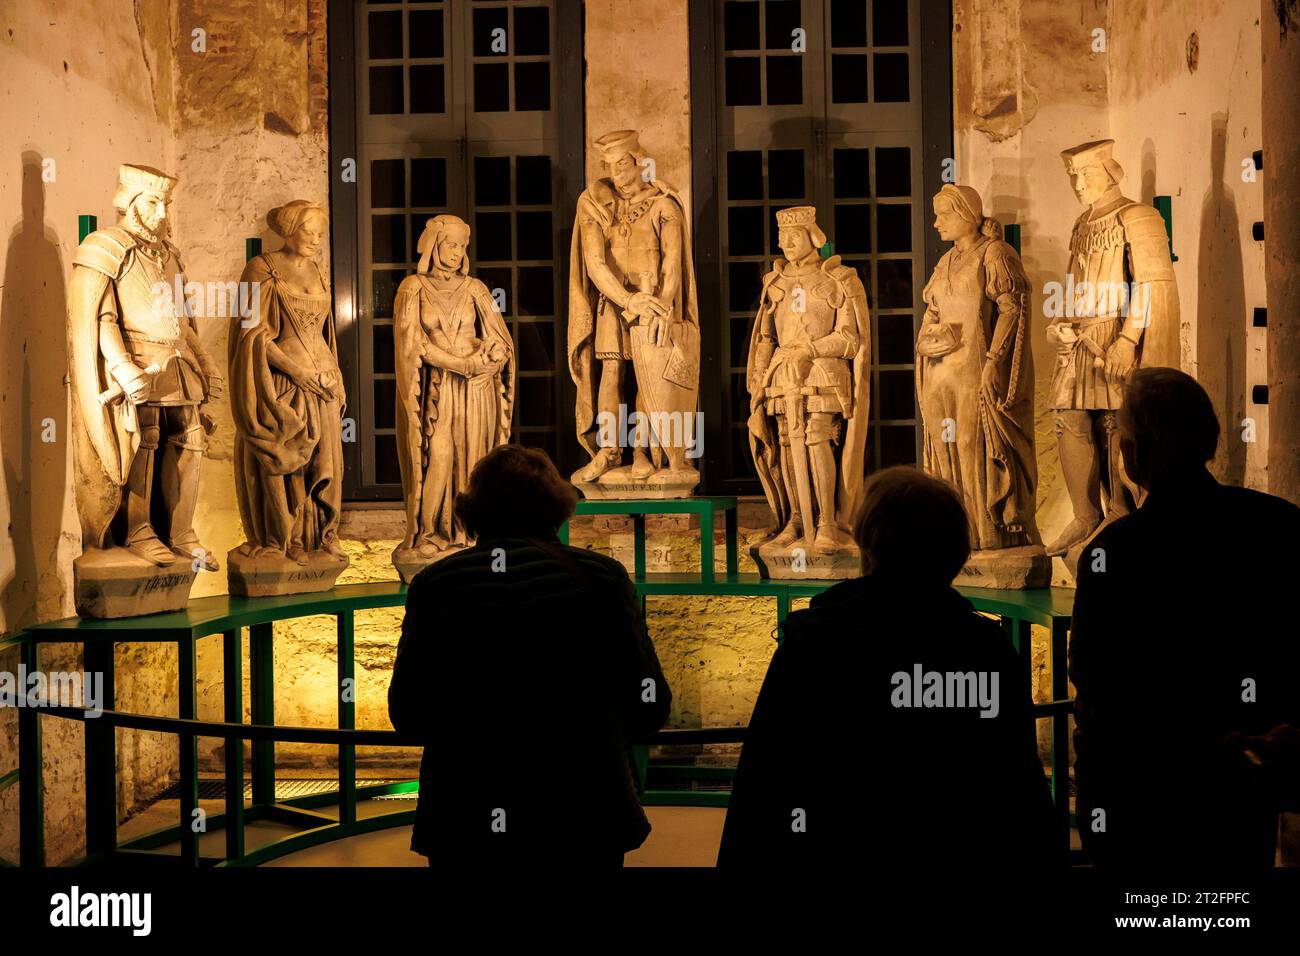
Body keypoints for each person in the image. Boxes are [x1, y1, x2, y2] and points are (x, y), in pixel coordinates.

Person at [717, 466, 1060, 868]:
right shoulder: (982, 649)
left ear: (868, 544)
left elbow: (765, 779)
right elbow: (1014, 783)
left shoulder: (815, 645)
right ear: (956, 553)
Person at [388, 445, 672, 866]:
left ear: (474, 508)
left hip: (467, 807)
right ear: (555, 505)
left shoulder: (437, 583)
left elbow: (409, 711)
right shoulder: (601, 577)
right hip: (583, 807)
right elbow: (649, 702)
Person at [1069, 367, 1300, 867]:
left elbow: (1097, 683)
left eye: (1122, 438)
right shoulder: (1277, 525)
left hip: (1145, 795)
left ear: (1139, 452)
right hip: (1241, 782)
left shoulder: (1117, 551)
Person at [229, 200, 347, 564]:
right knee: (290, 460)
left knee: (326, 464)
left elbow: (327, 335)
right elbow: (252, 334)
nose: (315, 239)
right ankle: (288, 539)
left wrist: (335, 376)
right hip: (283, 383)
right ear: (288, 231)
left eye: (320, 233)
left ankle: (319, 537)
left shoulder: (318, 271)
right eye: (308, 231)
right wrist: (298, 372)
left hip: (324, 383)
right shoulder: (259, 269)